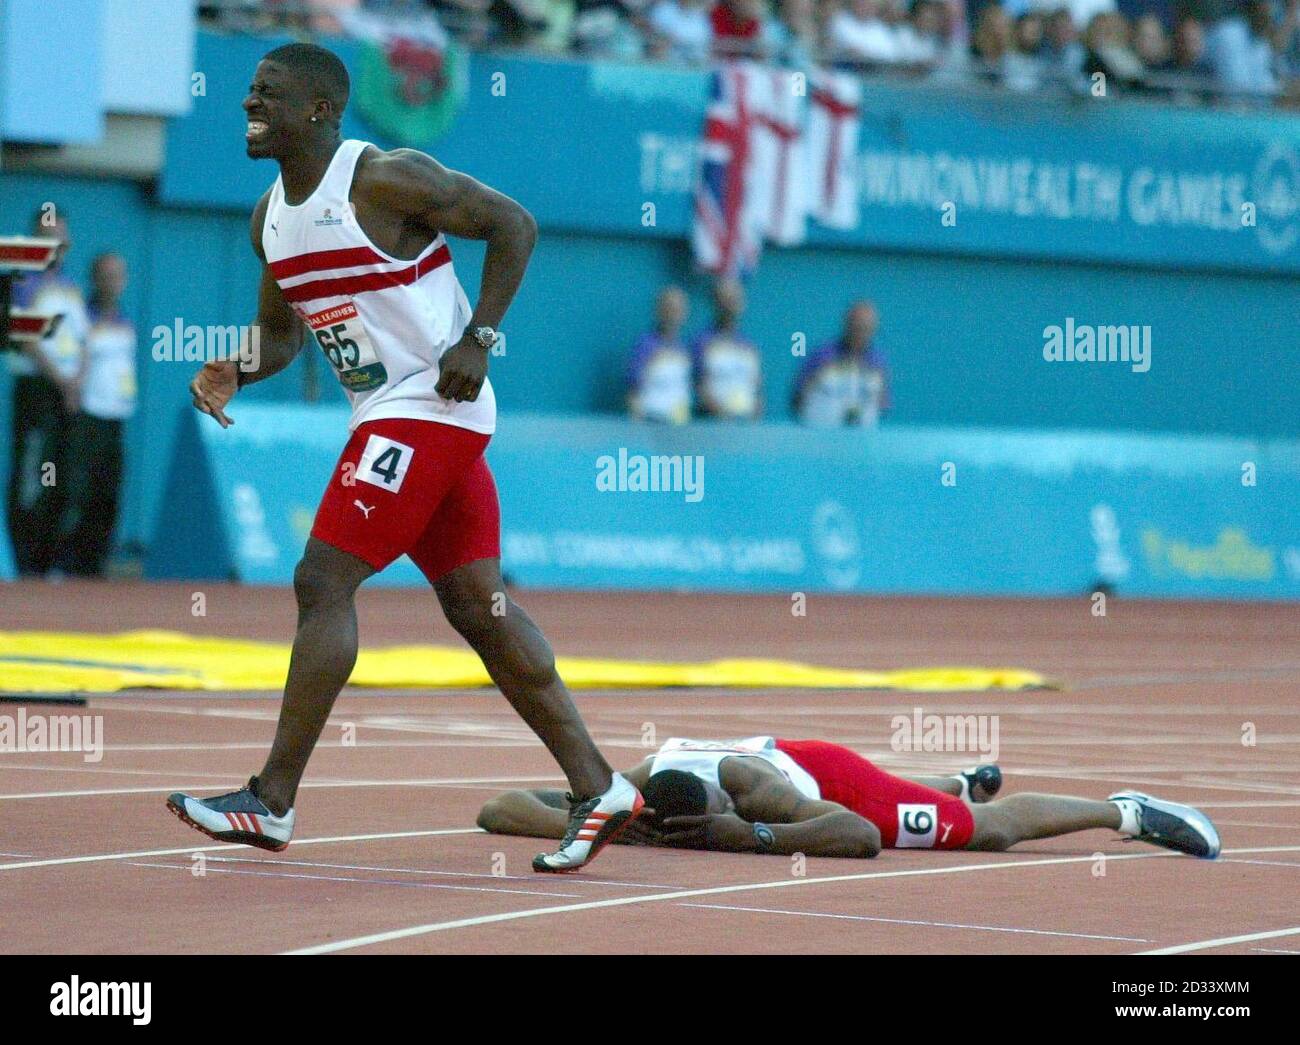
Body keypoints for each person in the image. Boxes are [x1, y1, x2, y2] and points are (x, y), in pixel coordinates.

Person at [167, 42, 642, 873]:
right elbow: (283, 335)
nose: (248, 105)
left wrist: (480, 336)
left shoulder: (383, 179)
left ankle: (272, 800)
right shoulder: (268, 220)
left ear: (318, 109)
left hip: (434, 405)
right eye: (248, 93)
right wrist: (235, 367)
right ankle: (598, 785)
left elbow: (513, 224)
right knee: (477, 606)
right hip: (398, 415)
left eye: (266, 95)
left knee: (323, 579)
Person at [479, 734, 1222, 860]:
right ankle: (951, 780)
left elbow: (858, 836)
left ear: (719, 805)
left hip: (825, 774)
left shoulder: (749, 790)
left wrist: (758, 838)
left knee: (985, 830)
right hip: (699, 786)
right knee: (949, 804)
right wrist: (604, 825)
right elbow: (498, 806)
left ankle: (1126, 810)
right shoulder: (633, 786)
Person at [5, 211, 89, 577]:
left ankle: (50, 558)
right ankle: (26, 561)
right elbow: (25, 338)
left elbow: (85, 340)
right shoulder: (23, 282)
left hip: (67, 394)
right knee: (35, 474)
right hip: (38, 391)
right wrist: (60, 380)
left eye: (62, 241)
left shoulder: (70, 288)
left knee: (62, 475)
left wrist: (76, 383)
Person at [51, 253, 137, 577]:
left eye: (118, 276)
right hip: (86, 416)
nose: (113, 283)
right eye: (106, 275)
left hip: (116, 417)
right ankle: (62, 562)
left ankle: (95, 565)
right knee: (77, 492)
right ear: (95, 279)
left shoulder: (125, 320)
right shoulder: (82, 318)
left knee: (108, 494)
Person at [793, 300, 890, 427]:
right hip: (820, 436)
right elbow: (797, 399)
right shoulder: (822, 356)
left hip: (862, 439)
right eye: (856, 327)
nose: (860, 333)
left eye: (866, 328)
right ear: (846, 324)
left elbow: (882, 404)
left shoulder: (877, 363)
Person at [692, 277, 763, 420]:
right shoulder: (701, 343)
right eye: (726, 300)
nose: (730, 306)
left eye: (735, 300)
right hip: (712, 426)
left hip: (745, 427)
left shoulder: (749, 347)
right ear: (715, 303)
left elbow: (757, 389)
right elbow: (698, 386)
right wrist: (721, 414)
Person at [627, 285, 693, 423]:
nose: (673, 314)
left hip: (680, 424)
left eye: (678, 309)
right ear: (658, 310)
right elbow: (634, 391)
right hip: (652, 423)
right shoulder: (644, 346)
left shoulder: (684, 348)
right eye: (669, 308)